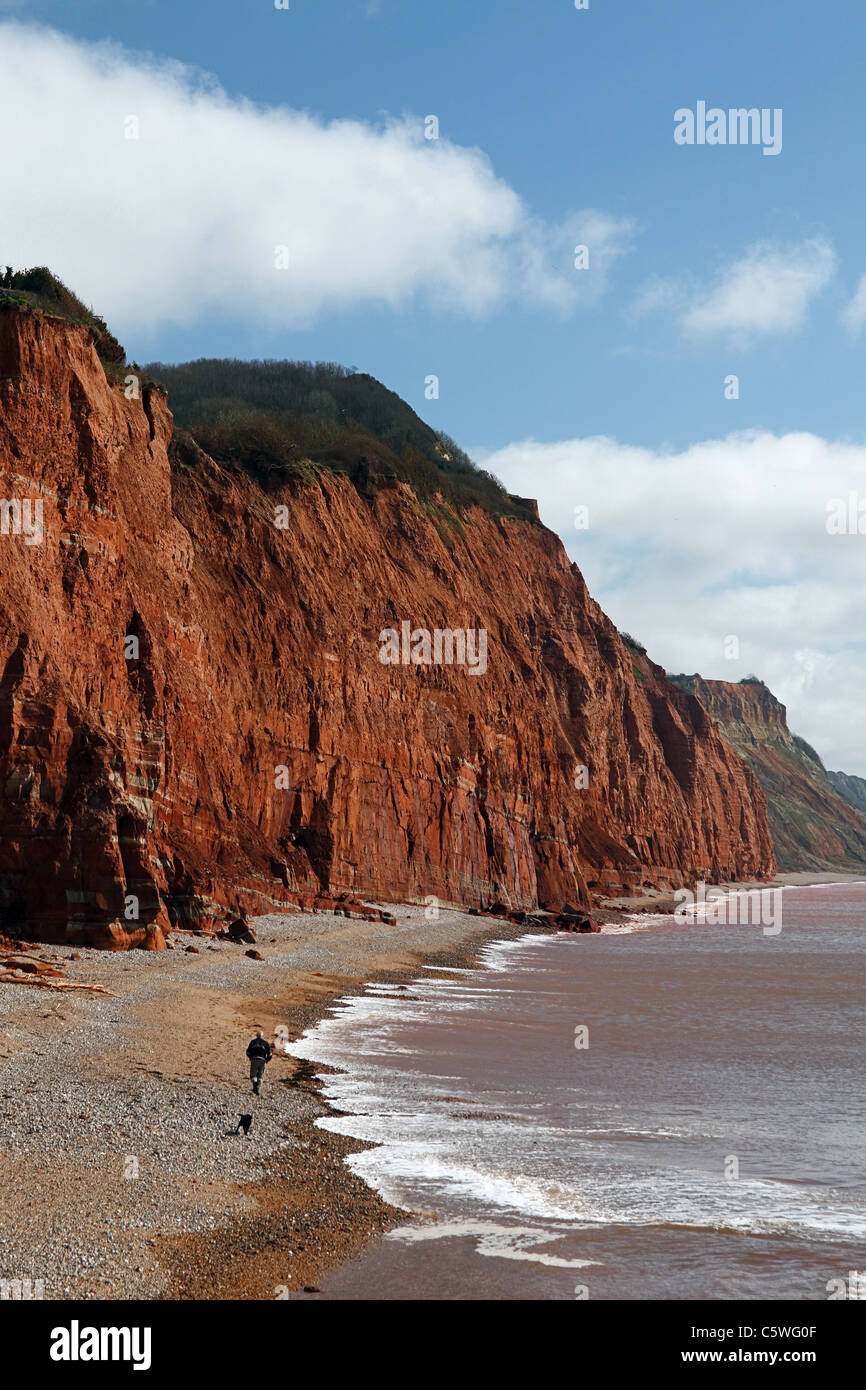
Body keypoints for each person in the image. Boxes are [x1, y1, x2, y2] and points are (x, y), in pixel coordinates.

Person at [246, 1029, 272, 1094]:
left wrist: (251, 1058)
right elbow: (270, 1054)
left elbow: (248, 1052)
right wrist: (266, 1060)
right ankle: (258, 1088)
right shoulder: (265, 1043)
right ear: (262, 1036)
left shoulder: (252, 1042)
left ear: (256, 1035)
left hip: (254, 1059)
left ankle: (255, 1085)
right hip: (262, 1060)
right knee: (260, 1076)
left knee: (253, 1076)